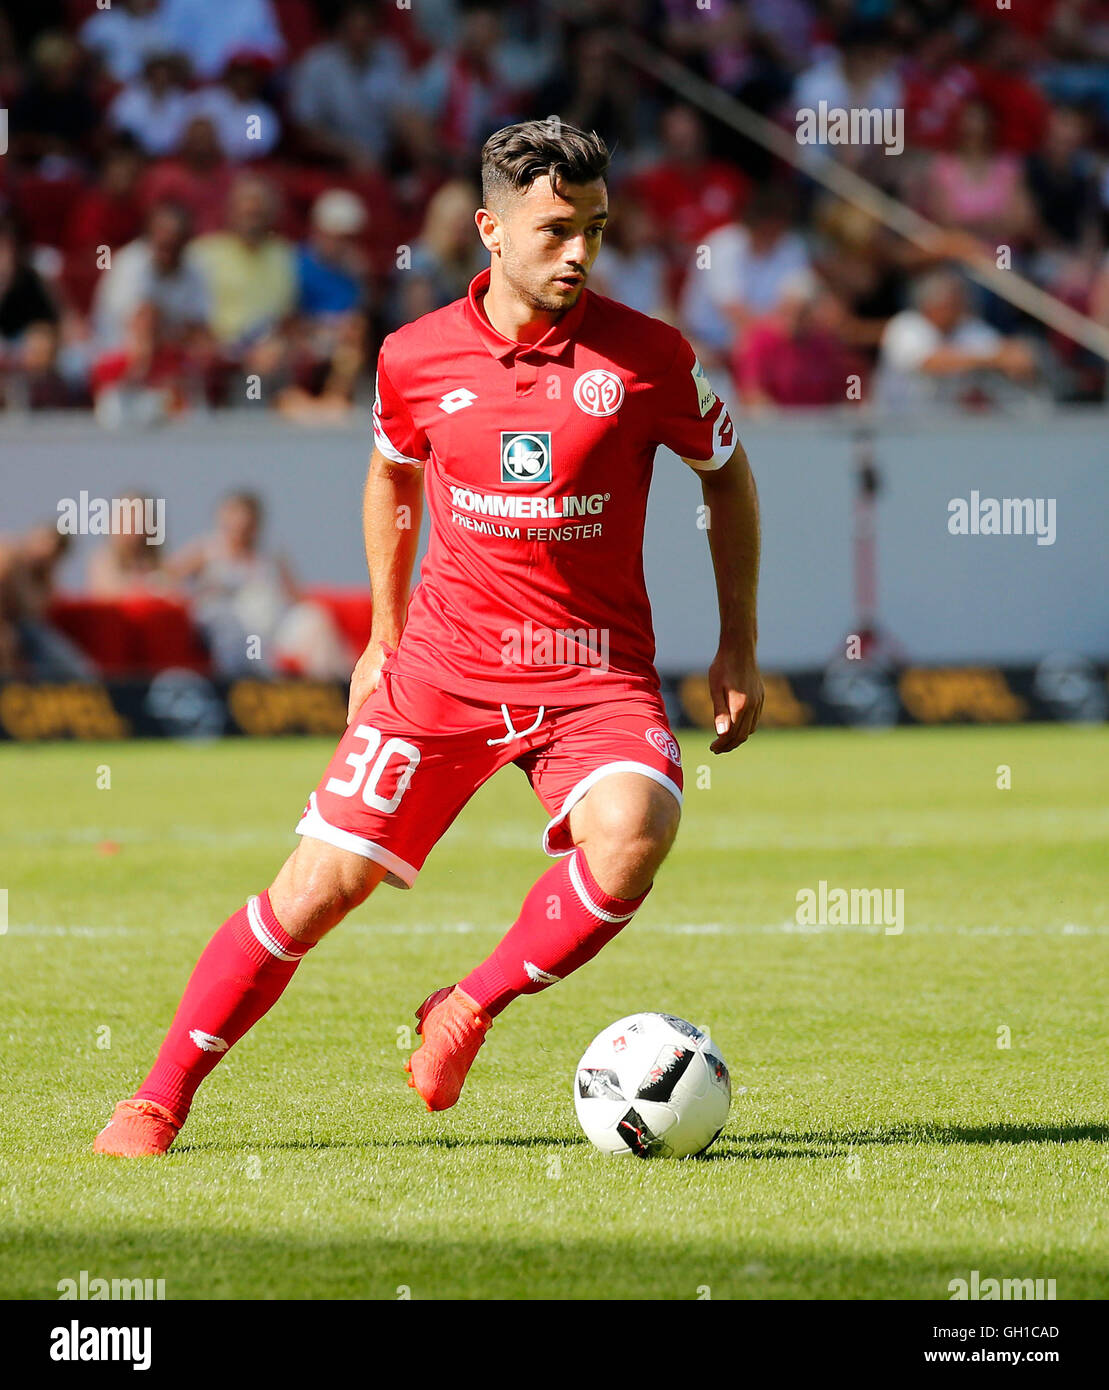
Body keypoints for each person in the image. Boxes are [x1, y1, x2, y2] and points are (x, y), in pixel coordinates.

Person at [94, 121, 764, 1159]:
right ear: (489, 230)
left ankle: (468, 1004)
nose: (578, 252)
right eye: (553, 231)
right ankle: (158, 1098)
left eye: (593, 228)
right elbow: (391, 475)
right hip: (443, 669)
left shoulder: (648, 357)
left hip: (591, 675)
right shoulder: (412, 357)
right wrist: (385, 636)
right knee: (317, 889)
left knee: (632, 836)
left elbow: (725, 476)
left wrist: (736, 645)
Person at [166, 491, 351, 678]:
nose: (240, 529)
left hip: (273, 628)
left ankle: (338, 690)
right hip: (232, 630)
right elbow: (167, 579)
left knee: (314, 618)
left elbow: (296, 597)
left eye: (246, 524)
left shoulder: (271, 555)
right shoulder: (206, 550)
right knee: (233, 631)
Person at [874, 268, 1038, 412]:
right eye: (952, 304)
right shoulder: (905, 326)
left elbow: (1009, 356)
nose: (961, 309)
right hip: (897, 424)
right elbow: (930, 363)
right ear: (930, 304)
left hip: (948, 427)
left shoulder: (968, 327)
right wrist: (992, 359)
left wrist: (1014, 358)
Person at [0, 527, 94, 679]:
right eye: (44, 543)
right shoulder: (8, 557)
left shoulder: (45, 581)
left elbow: (34, 614)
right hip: (10, 628)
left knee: (73, 667)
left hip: (26, 631)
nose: (44, 553)